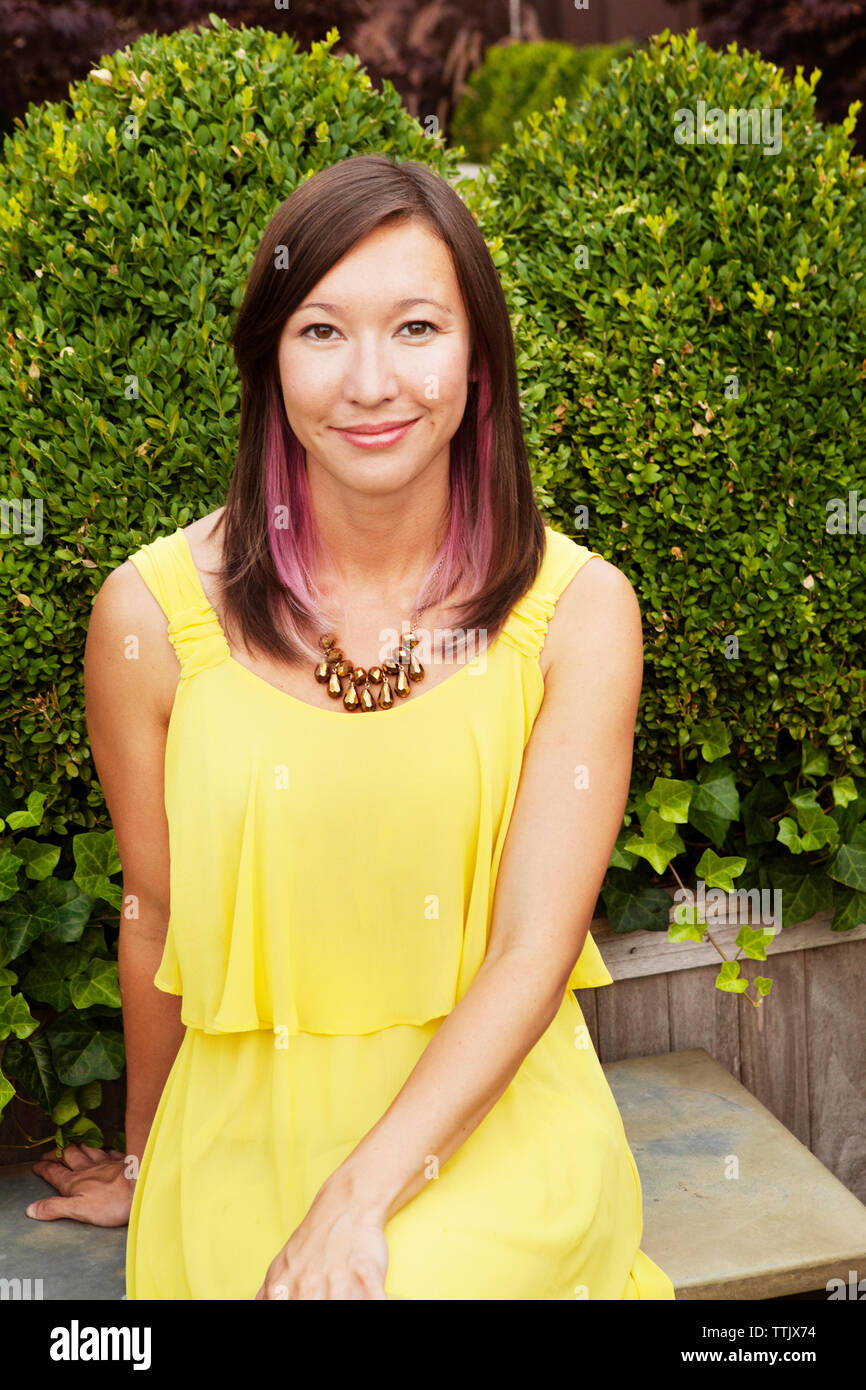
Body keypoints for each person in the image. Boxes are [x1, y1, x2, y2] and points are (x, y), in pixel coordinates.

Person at [28, 153, 675, 1300]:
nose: (370, 381)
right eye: (322, 332)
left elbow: (533, 948)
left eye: (417, 327)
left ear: (476, 362)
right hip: (236, 1137)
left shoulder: (577, 613)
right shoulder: (150, 615)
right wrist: (144, 1156)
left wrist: (358, 1198)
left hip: (491, 1129)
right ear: (269, 362)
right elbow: (156, 917)